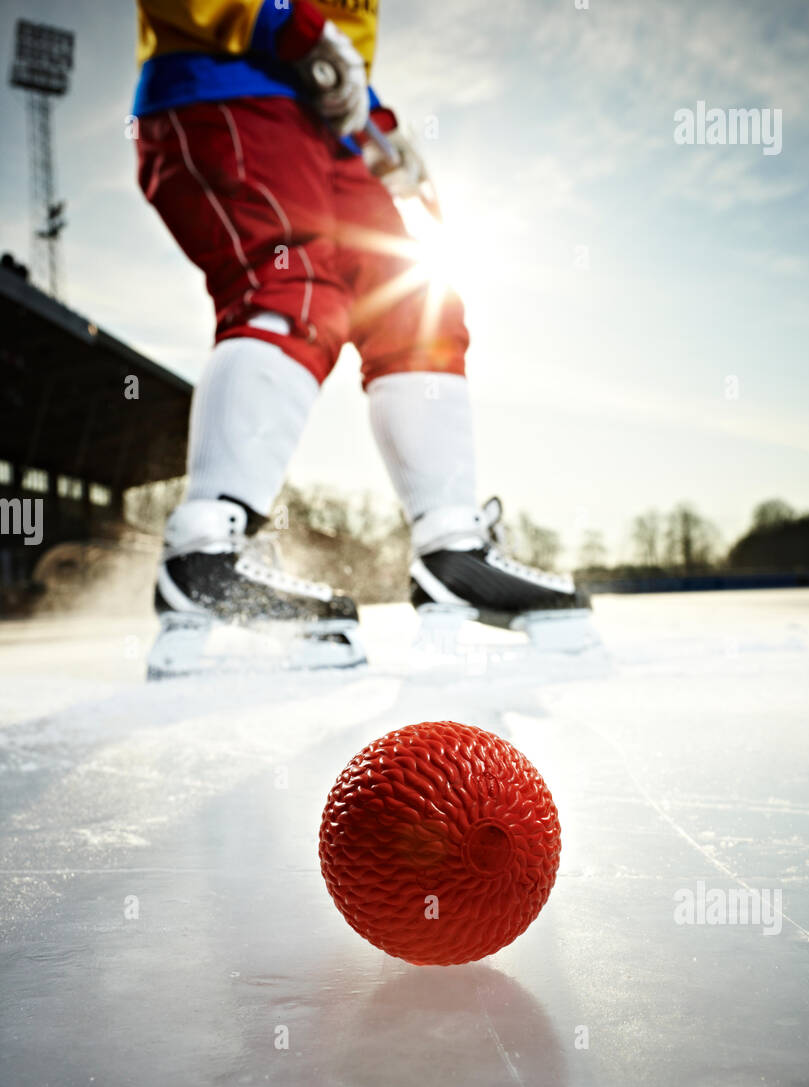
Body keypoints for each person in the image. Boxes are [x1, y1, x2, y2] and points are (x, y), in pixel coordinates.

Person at [133, 0, 591, 675]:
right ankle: (202, 556)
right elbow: (300, 22)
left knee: (416, 304)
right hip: (223, 79)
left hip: (322, 124)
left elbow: (335, 40)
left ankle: (450, 550)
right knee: (292, 281)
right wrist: (282, 23)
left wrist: (376, 127)